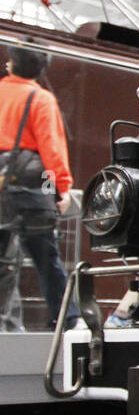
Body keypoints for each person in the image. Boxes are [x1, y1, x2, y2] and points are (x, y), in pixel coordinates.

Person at [0, 43, 76, 329]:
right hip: (30, 189)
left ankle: (7, 325)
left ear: (11, 64)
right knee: (46, 257)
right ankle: (67, 321)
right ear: (41, 69)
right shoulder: (40, 99)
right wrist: (59, 190)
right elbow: (50, 151)